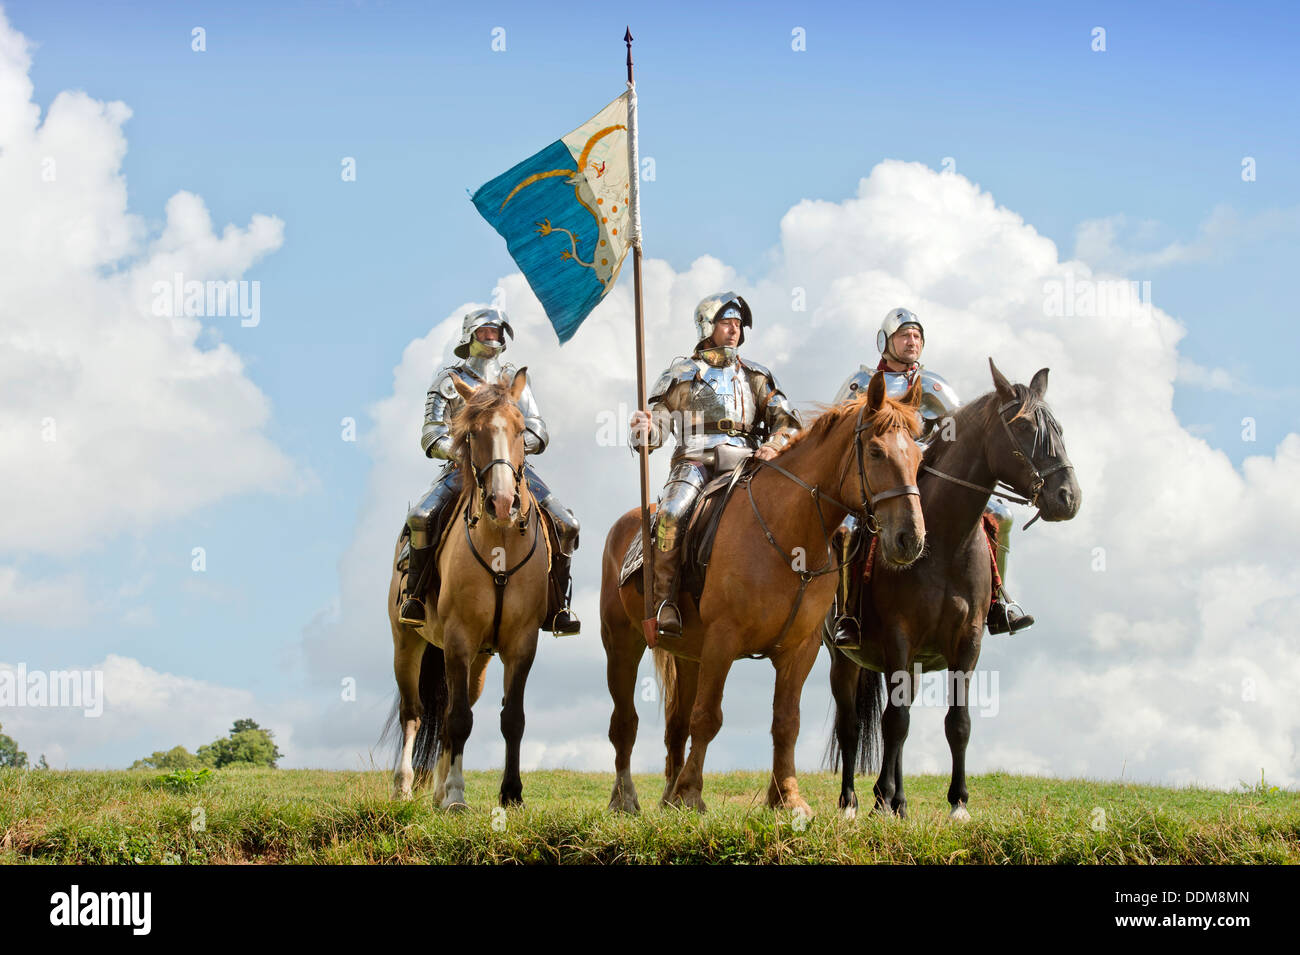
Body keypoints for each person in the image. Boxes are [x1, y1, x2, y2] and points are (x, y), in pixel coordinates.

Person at [828, 307, 1034, 649]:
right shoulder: (860, 384)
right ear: (886, 341)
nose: (912, 342)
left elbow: (962, 432)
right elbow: (836, 433)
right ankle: (848, 614)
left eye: (917, 336)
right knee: (848, 529)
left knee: (1000, 514)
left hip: (929, 477)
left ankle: (997, 602)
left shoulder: (933, 385)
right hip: (878, 482)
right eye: (904, 335)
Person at [629, 292, 802, 640]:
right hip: (696, 461)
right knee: (672, 513)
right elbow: (658, 425)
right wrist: (645, 431)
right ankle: (665, 601)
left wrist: (773, 445)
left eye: (738, 325)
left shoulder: (756, 375)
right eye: (727, 323)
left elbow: (788, 423)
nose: (734, 330)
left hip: (749, 461)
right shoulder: (682, 374)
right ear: (708, 326)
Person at [398, 307, 580, 634]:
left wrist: (509, 450)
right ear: (470, 337)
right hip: (461, 467)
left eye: (497, 333)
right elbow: (430, 432)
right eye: (485, 332)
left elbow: (538, 427)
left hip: (512, 468)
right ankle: (416, 598)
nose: (492, 338)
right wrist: (461, 451)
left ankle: (559, 605)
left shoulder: (512, 380)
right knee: (421, 518)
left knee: (566, 523)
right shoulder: (450, 380)